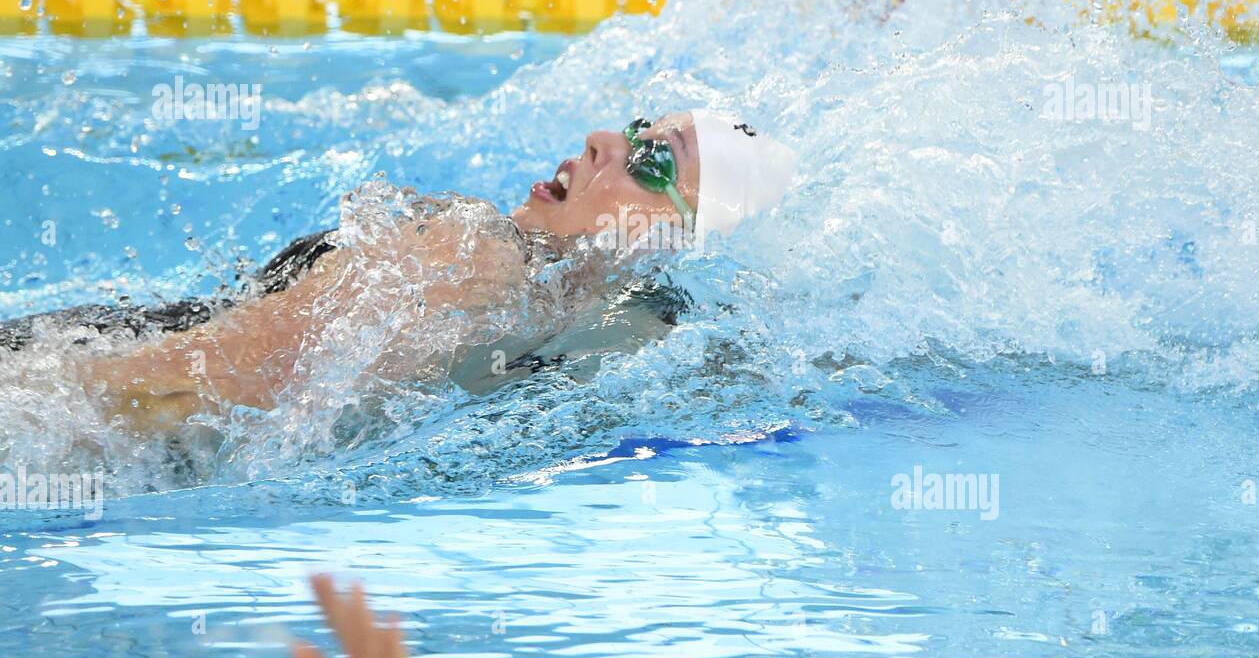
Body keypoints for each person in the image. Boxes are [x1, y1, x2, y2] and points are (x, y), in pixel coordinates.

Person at [2, 110, 796, 441]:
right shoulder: (474, 253)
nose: (598, 140)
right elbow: (189, 379)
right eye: (633, 130)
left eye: (650, 158)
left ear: (671, 239)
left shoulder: (637, 332)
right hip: (64, 382)